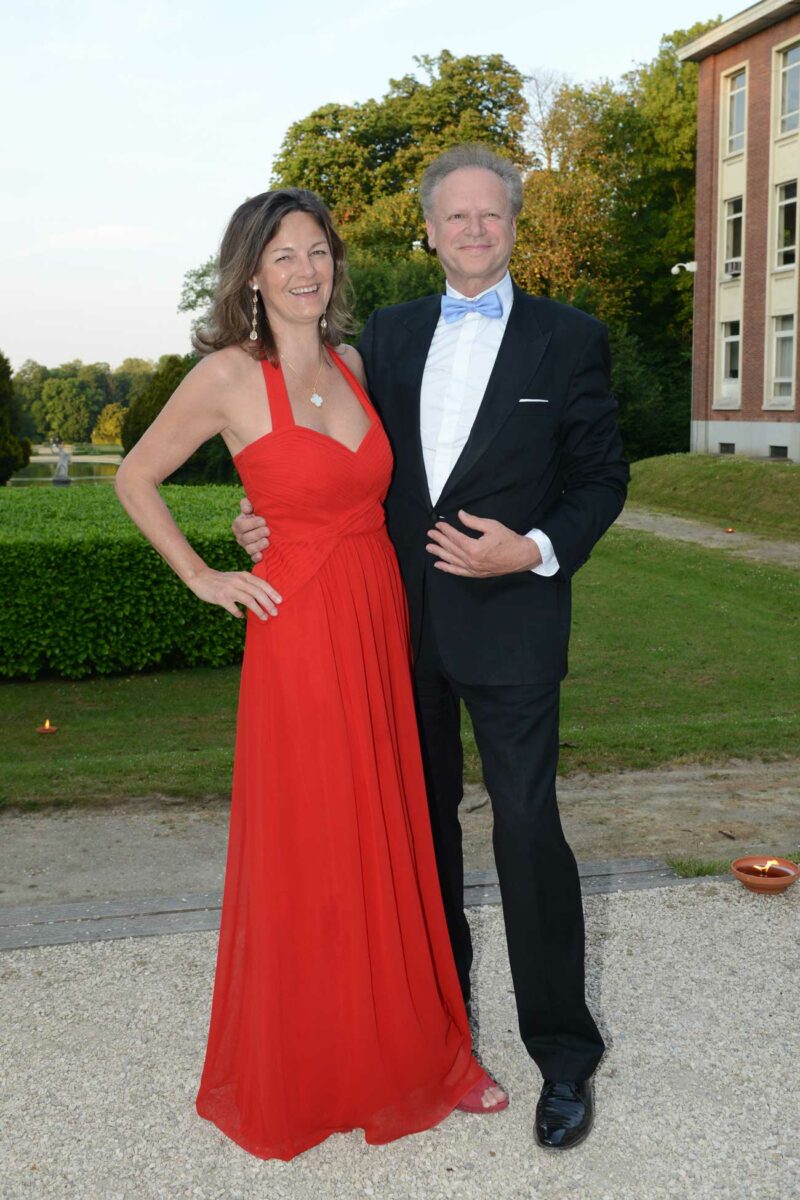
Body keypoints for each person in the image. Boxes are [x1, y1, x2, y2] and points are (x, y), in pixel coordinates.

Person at [234, 145, 629, 1151]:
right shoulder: (386, 334)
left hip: (514, 628)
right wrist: (261, 520)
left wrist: (532, 548)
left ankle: (562, 1056)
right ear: (427, 229)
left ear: (510, 225)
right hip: (390, 630)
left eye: (486, 216)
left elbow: (599, 479)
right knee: (412, 843)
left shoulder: (569, 339)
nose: (469, 231)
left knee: (526, 834)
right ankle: (429, 1046)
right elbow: (332, 457)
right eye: (451, 217)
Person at [114, 187, 503, 1162]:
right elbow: (134, 477)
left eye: (316, 252)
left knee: (386, 828)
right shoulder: (223, 377)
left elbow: (372, 492)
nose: (304, 269)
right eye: (282, 255)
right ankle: (318, 1064)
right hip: (295, 632)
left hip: (375, 618)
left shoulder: (354, 362)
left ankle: (416, 1055)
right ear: (249, 272)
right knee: (315, 842)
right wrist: (208, 573)